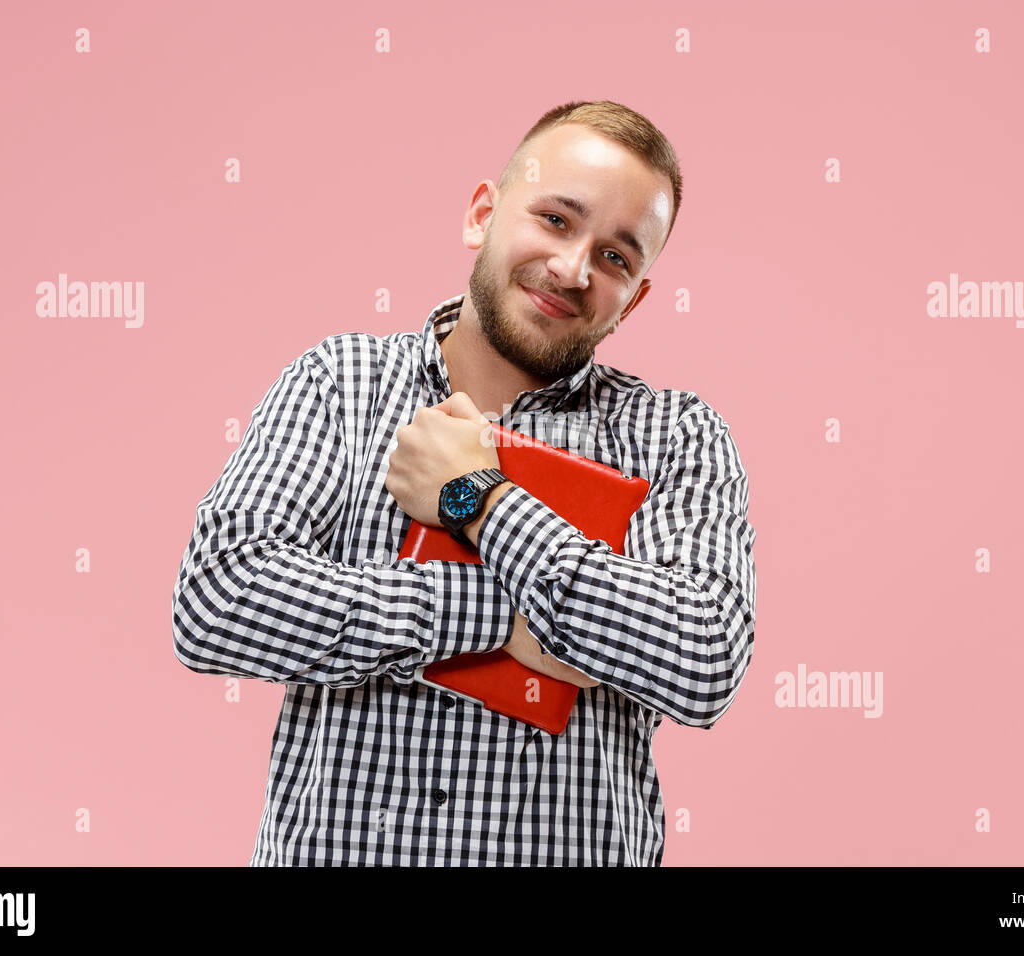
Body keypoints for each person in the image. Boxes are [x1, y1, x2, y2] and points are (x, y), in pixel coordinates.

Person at [171, 100, 758, 866]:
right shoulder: (337, 386)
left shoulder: (677, 438)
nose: (574, 269)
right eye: (555, 219)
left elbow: (702, 657)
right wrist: (495, 618)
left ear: (637, 297)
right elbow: (219, 601)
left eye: (616, 257)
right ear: (483, 213)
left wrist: (477, 501)